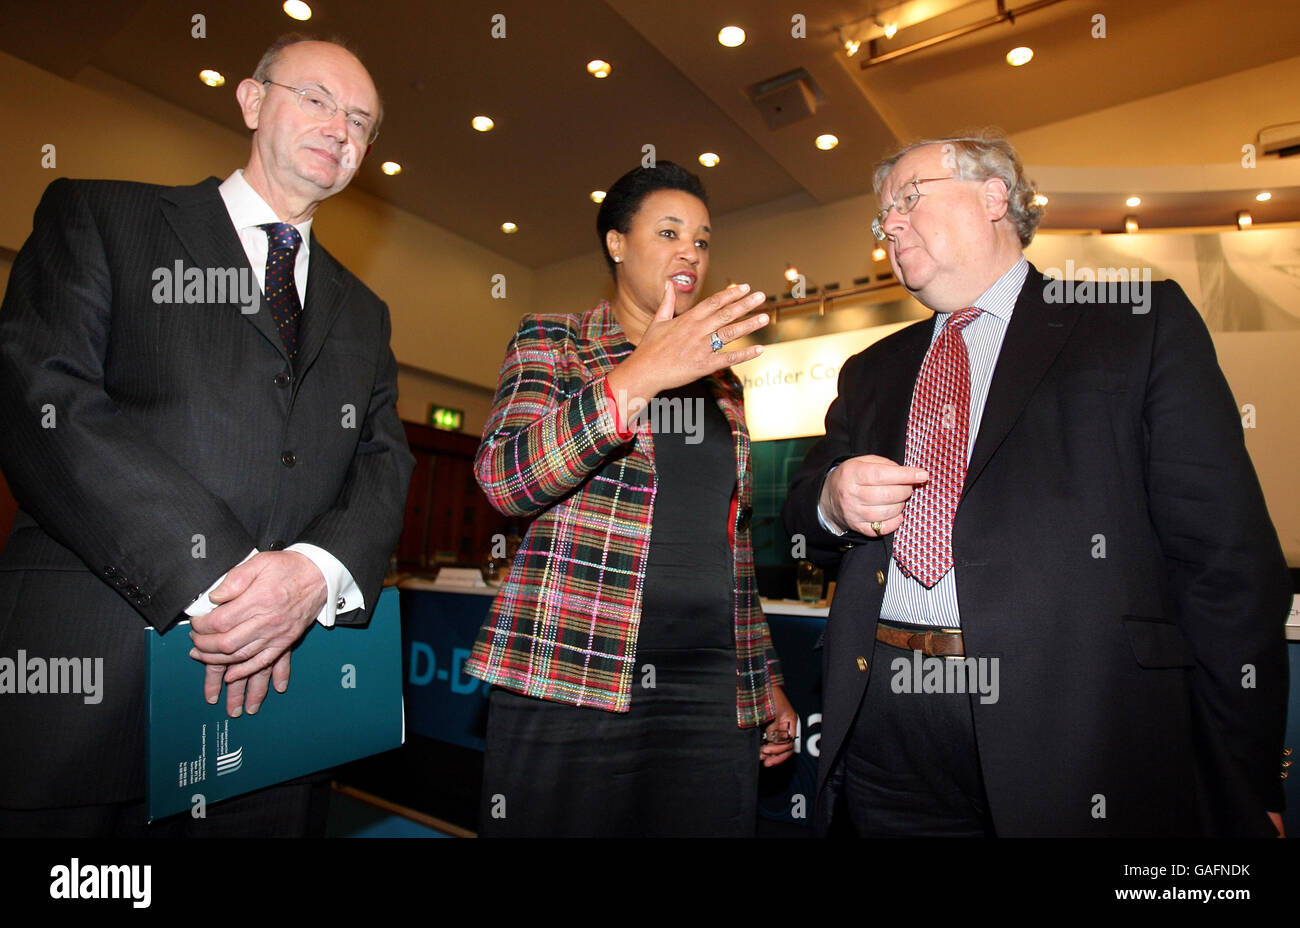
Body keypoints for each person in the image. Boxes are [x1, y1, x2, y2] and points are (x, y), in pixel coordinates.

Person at [782, 133, 1290, 837]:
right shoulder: (870, 370)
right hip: (887, 721)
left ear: (995, 196)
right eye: (882, 217)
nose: (890, 224)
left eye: (908, 199)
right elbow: (800, 515)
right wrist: (832, 496)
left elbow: (1225, 564)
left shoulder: (1134, 321)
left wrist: (1244, 777)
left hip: (1078, 728)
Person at [0, 35, 413, 837]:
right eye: (317, 99)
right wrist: (223, 574)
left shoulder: (366, 313)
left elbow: (384, 464)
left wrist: (309, 578)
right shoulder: (102, 216)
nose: (340, 127)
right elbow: (41, 399)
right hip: (91, 689)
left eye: (361, 120)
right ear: (253, 102)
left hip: (281, 711)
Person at [467, 161, 796, 837]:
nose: (690, 252)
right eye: (669, 231)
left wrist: (764, 679)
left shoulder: (723, 385)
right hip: (574, 667)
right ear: (616, 243)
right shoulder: (554, 342)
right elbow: (505, 480)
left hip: (708, 688)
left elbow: (729, 547)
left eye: (702, 240)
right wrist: (639, 374)